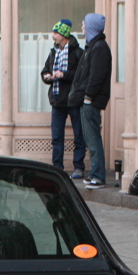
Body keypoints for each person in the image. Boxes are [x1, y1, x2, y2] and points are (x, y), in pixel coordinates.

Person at [68, 13, 112, 189]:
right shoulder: (92, 47)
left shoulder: (99, 48)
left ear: (91, 26)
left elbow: (96, 76)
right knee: (89, 138)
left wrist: (88, 96)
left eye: (84, 24)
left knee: (93, 139)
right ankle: (95, 173)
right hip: (87, 100)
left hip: (91, 101)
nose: (82, 27)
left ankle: (98, 176)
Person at [40, 19, 85, 179]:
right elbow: (45, 70)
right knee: (57, 137)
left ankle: (78, 166)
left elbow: (81, 76)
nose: (53, 35)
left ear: (64, 35)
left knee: (79, 135)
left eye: (56, 32)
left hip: (73, 100)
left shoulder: (78, 53)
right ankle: (57, 167)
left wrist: (64, 75)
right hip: (57, 99)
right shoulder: (53, 52)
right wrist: (47, 76)